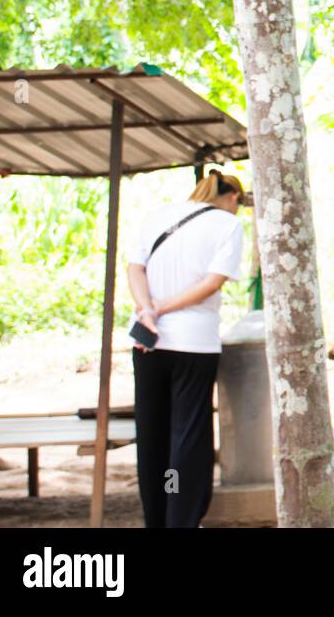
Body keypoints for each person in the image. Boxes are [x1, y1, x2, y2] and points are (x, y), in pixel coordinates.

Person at [126, 169, 247, 528]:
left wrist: (149, 309)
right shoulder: (227, 224)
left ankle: (157, 518)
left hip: (148, 340)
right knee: (187, 434)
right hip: (194, 342)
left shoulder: (158, 216)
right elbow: (212, 282)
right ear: (233, 198)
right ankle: (181, 518)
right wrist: (162, 308)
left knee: (153, 432)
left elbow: (135, 268)